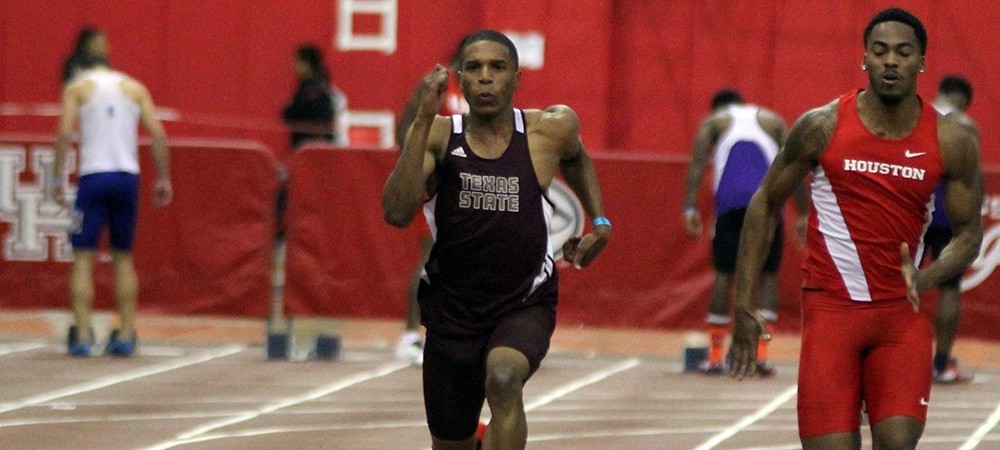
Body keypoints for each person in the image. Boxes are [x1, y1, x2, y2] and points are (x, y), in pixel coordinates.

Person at [726, 8, 983, 449]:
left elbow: (969, 234)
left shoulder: (950, 141)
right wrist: (743, 303)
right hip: (831, 312)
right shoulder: (821, 126)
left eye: (903, 52)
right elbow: (765, 203)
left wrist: (927, 277)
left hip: (900, 316)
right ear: (864, 58)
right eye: (880, 51)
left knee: (897, 443)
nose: (890, 61)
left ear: (922, 62)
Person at [382, 29, 611, 450]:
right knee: (451, 442)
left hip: (524, 300)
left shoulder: (549, 130)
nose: (485, 77)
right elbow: (396, 212)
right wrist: (421, 119)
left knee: (504, 379)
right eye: (474, 68)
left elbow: (576, 156)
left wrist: (600, 221)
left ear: (517, 78)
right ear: (460, 79)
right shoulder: (439, 135)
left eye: (497, 67)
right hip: (453, 310)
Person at [53, 53, 173, 357]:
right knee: (123, 258)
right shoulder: (134, 87)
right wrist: (163, 178)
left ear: (82, 68)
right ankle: (126, 333)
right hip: (126, 177)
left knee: (83, 258)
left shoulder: (78, 87)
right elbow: (158, 133)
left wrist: (56, 177)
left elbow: (65, 132)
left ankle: (83, 335)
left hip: (93, 176)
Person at [682, 89, 805, 376]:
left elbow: (697, 166)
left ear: (718, 108)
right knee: (767, 276)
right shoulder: (773, 121)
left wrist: (689, 208)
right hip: (768, 203)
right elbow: (796, 164)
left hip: (730, 204)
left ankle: (715, 357)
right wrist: (804, 212)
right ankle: (760, 356)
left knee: (724, 275)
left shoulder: (715, 121)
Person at [393, 39, 469, 366]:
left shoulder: (484, 92)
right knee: (430, 258)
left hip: (474, 188)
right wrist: (418, 168)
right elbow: (406, 127)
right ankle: (411, 336)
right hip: (439, 185)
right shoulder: (437, 85)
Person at [927, 75, 979, 384]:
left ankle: (887, 357)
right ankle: (941, 363)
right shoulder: (965, 125)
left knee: (895, 284)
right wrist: (972, 221)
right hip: (948, 213)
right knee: (949, 289)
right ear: (964, 99)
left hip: (913, 207)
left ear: (940, 91)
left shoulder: (917, 115)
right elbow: (972, 178)